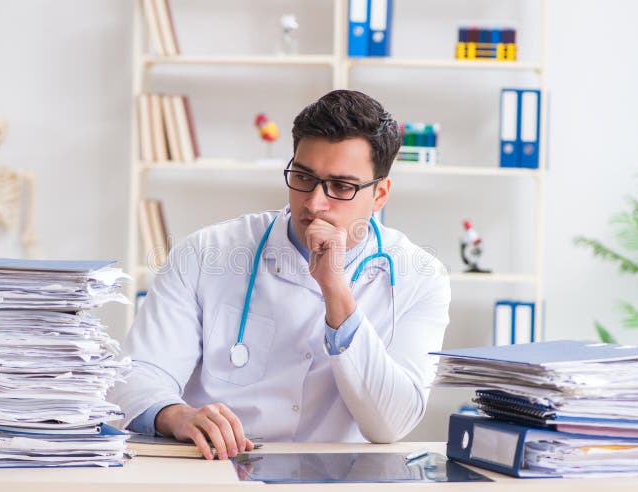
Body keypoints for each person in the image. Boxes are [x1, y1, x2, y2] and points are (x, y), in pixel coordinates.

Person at [109, 90, 451, 460]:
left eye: (341, 186)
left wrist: (335, 291)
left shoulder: (420, 278)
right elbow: (135, 376)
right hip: (218, 471)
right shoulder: (205, 253)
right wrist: (175, 415)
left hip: (339, 477)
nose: (314, 203)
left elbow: (391, 424)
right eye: (303, 177)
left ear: (380, 194)